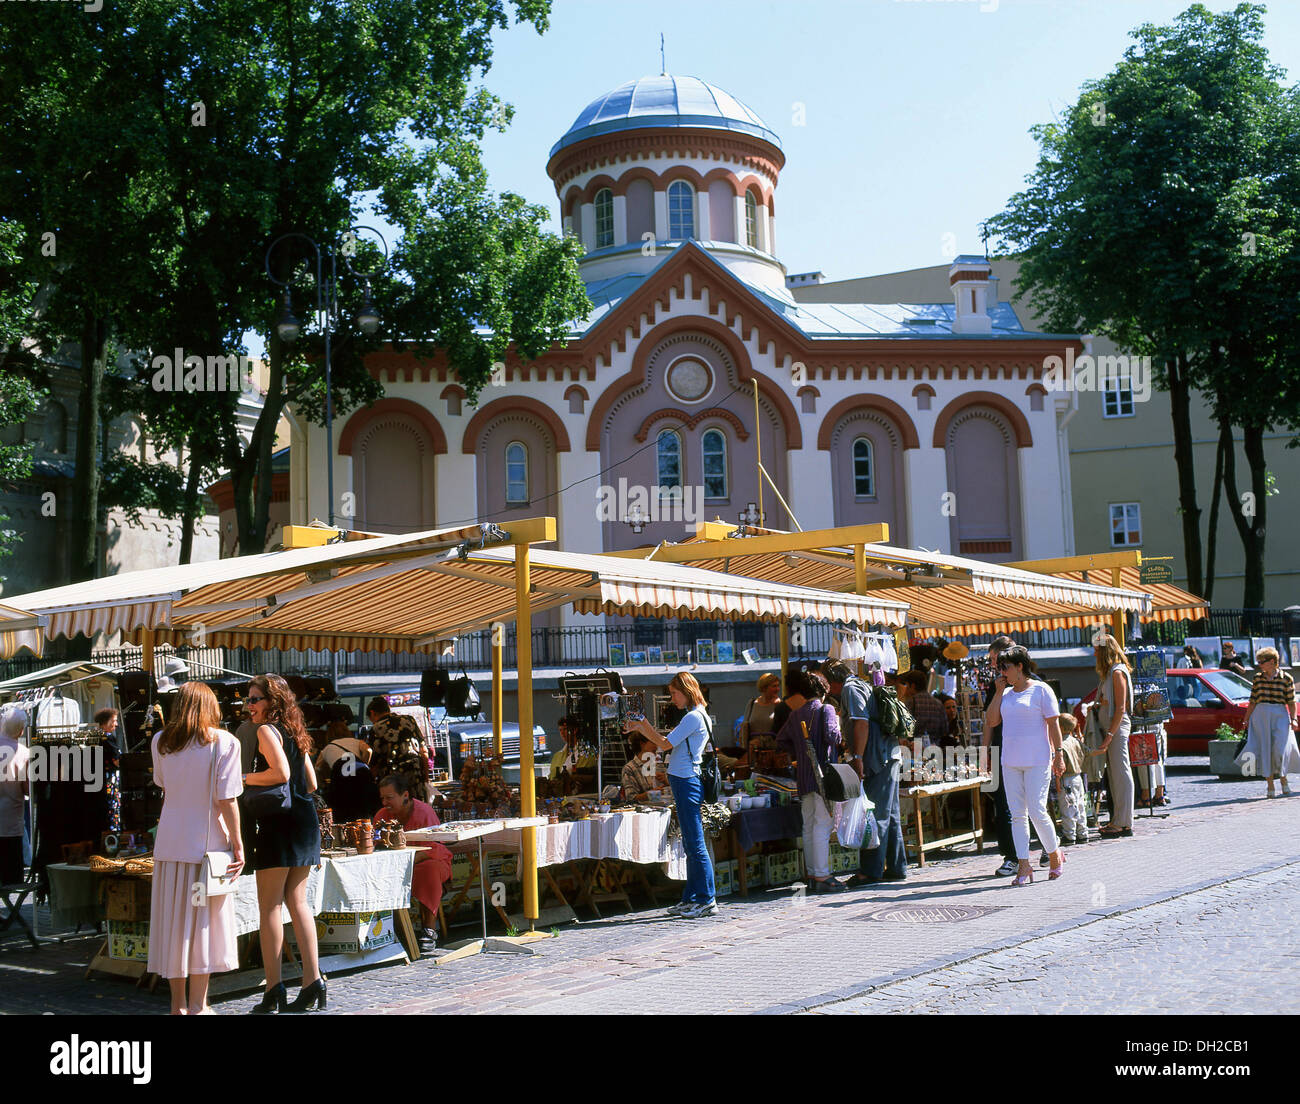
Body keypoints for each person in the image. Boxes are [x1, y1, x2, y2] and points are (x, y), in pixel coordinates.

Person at [148, 683, 243, 1015]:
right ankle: (198, 1005)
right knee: (203, 925)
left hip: (169, 844)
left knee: (174, 926)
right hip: (206, 848)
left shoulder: (160, 741)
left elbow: (164, 785)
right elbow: (227, 799)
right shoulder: (225, 742)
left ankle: (178, 1005)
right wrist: (238, 843)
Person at [244, 674, 325, 1014]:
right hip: (305, 821)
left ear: (272, 702)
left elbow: (280, 774)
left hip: (280, 825)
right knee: (298, 903)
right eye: (248, 699)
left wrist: (242, 778)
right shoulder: (294, 731)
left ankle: (273, 988)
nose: (248, 705)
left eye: (254, 699)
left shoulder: (266, 731)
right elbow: (311, 783)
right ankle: (313, 980)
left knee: (270, 908)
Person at [623, 672, 716, 919]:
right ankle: (692, 897)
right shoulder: (695, 715)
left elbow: (664, 744)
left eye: (674, 693)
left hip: (686, 782)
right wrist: (641, 726)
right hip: (685, 781)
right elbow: (665, 742)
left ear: (686, 691)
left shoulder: (693, 717)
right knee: (691, 844)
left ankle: (706, 899)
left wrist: (643, 723)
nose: (672, 698)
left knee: (695, 844)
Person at [985, 645, 1064, 885]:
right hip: (1010, 761)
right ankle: (1023, 864)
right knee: (1017, 814)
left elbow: (1054, 724)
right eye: (999, 667)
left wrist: (1059, 754)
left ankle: (1054, 854)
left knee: (1037, 811)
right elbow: (991, 720)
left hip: (1037, 760)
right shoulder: (1006, 694)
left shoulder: (1041, 690)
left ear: (1020, 666)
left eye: (1005, 667)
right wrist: (998, 693)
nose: (1002, 672)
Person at [825, 659, 907, 886]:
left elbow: (862, 723)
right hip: (888, 754)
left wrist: (858, 757)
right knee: (889, 814)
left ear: (833, 681)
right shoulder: (861, 684)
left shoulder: (850, 689)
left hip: (877, 758)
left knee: (874, 813)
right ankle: (897, 867)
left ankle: (870, 871)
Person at [775, 669, 844, 894]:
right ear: (824, 689)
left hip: (804, 778)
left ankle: (813, 873)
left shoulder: (795, 714)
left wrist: (799, 752)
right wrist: (839, 726)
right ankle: (823, 875)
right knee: (823, 825)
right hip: (824, 777)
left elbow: (781, 739)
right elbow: (832, 737)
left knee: (809, 826)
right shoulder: (827, 709)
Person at [374, 775, 453, 952]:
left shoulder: (424, 812)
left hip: (431, 860)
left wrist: (407, 860)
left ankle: (429, 929)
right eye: (382, 798)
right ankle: (391, 929)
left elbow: (434, 847)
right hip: (397, 865)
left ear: (405, 795)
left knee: (428, 870)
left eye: (389, 797)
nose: (385, 802)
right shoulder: (381, 815)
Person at [981, 636, 1021, 878]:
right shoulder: (996, 687)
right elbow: (990, 721)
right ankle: (1011, 856)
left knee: (1030, 804)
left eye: (996, 659)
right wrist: (985, 750)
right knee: (1003, 805)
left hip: (1025, 751)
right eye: (993, 660)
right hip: (1001, 749)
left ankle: (1047, 847)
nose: (994, 665)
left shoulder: (1033, 684)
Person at [1091, 633, 1135, 840]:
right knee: (1115, 775)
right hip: (1110, 727)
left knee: (1121, 773)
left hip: (1115, 727)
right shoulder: (1110, 673)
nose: (1094, 654)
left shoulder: (1117, 673)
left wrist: (1109, 735)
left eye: (1096, 650)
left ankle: (1124, 822)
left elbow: (1121, 708)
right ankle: (1118, 819)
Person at [1240, 647, 1298, 798]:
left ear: (1272, 661)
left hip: (1280, 713)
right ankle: (1270, 784)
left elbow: (1291, 702)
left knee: (1280, 749)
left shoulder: (1286, 678)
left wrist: (1294, 719)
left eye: (1262, 662)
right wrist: (1246, 719)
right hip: (1261, 714)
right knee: (1265, 749)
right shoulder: (1258, 678)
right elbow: (1253, 701)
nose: (1259, 665)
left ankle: (1283, 778)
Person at [365, 697, 428, 803]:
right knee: (417, 808)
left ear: (372, 713)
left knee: (397, 811)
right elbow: (423, 750)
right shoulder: (409, 720)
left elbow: (375, 763)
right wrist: (425, 776)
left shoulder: (376, 729)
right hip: (415, 777)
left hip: (392, 782)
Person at [0, 708, 30, 886]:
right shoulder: (23, 753)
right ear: (21, 730)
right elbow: (27, 789)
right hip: (11, 824)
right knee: (11, 881)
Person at [1055, 714, 1089, 845]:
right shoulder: (1075, 741)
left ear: (1061, 728)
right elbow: (1088, 752)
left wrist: (1057, 782)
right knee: (1080, 805)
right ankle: (1083, 833)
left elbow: (1060, 766)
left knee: (1068, 807)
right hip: (1078, 777)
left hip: (1066, 779)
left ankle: (1069, 835)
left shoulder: (1062, 745)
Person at [898, 670, 948, 745]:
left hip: (914, 748)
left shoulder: (911, 702)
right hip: (934, 748)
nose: (906, 689)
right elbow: (944, 730)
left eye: (907, 686)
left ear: (913, 686)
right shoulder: (939, 704)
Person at [739, 673, 786, 752]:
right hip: (753, 751)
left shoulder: (780, 705)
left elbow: (783, 731)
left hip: (773, 752)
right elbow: (744, 727)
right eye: (774, 686)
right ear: (764, 688)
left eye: (778, 686)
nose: (777, 689)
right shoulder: (752, 703)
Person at [94, 707, 122, 833]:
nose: (116, 724)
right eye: (114, 721)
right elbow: (116, 760)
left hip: (97, 780)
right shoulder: (108, 738)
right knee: (112, 806)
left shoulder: (94, 736)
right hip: (109, 778)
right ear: (105, 722)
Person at [620, 732, 661, 799]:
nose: (656, 745)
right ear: (642, 744)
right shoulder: (629, 769)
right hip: (644, 805)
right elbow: (631, 798)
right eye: (653, 741)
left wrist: (666, 782)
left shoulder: (657, 766)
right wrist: (652, 794)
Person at [549, 715, 582, 779]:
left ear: (575, 730)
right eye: (560, 730)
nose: (562, 733)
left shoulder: (583, 754)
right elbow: (551, 777)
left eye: (565, 729)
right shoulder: (557, 756)